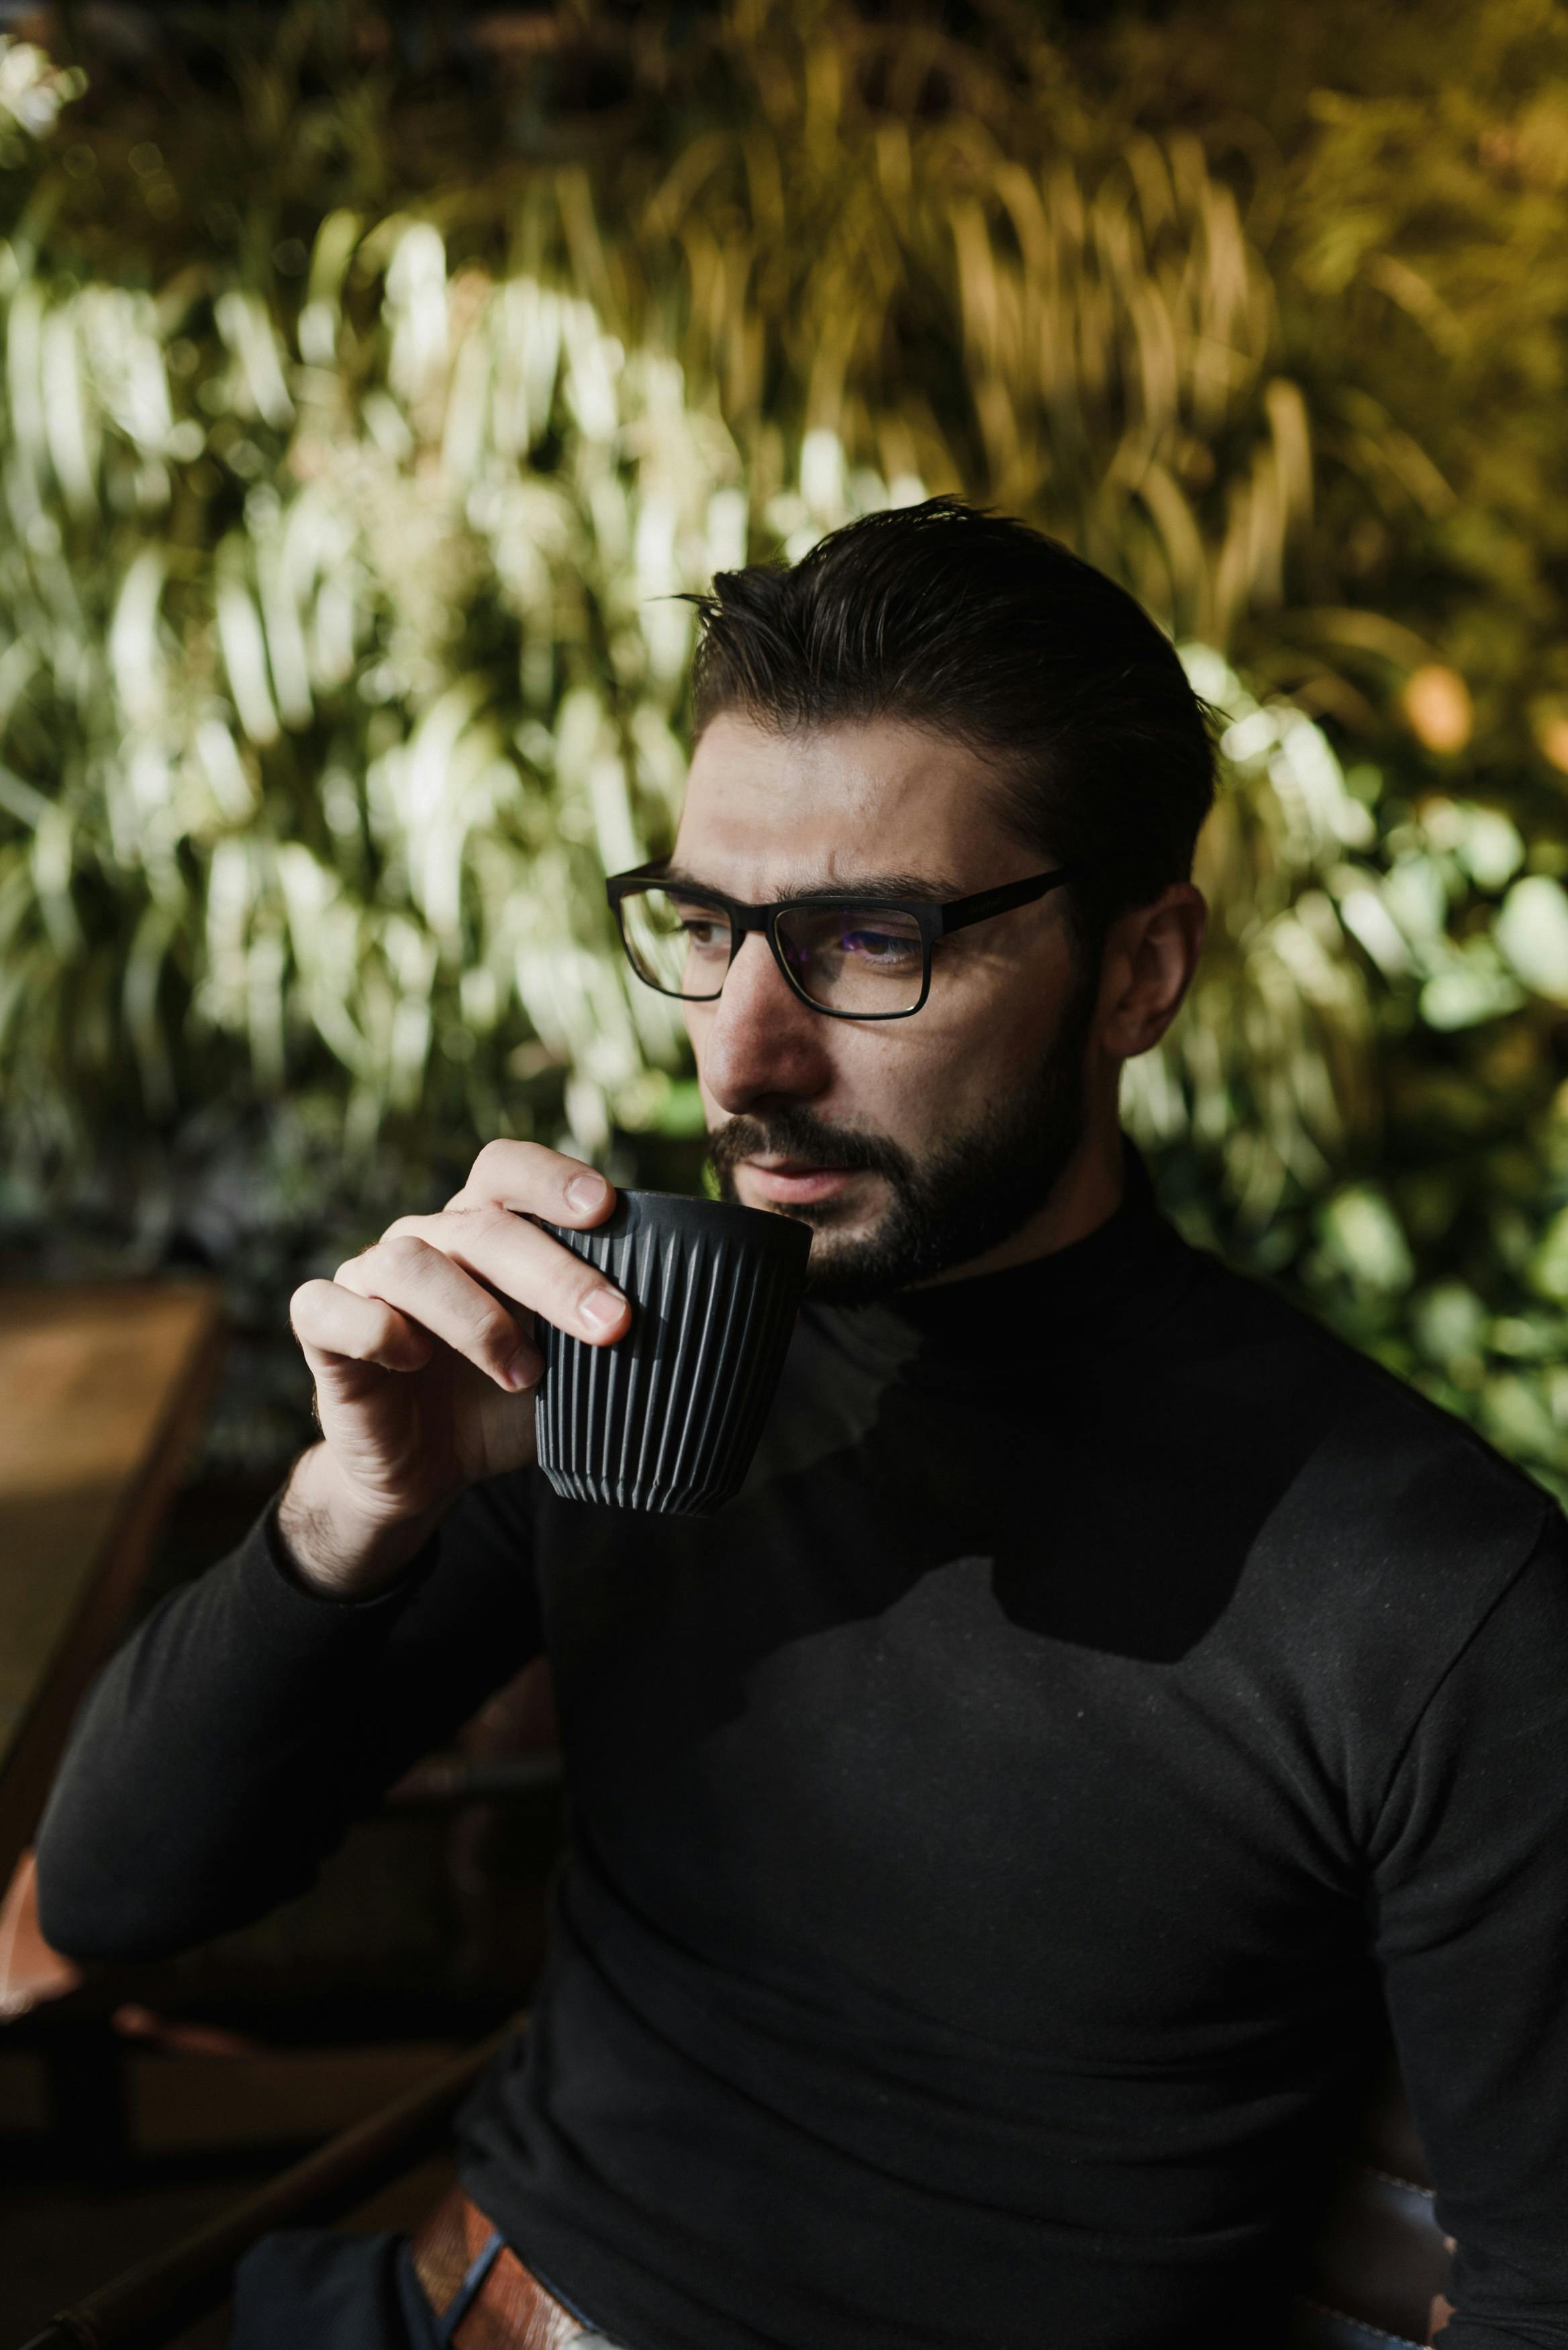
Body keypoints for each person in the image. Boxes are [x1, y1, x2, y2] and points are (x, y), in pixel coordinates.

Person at [34, 500, 1568, 2350]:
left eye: (869, 941)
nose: (745, 1055)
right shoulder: (632, 1355)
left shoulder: (1430, 1590)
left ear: (1140, 974)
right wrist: (352, 1510)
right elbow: (115, 1893)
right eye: (707, 927)